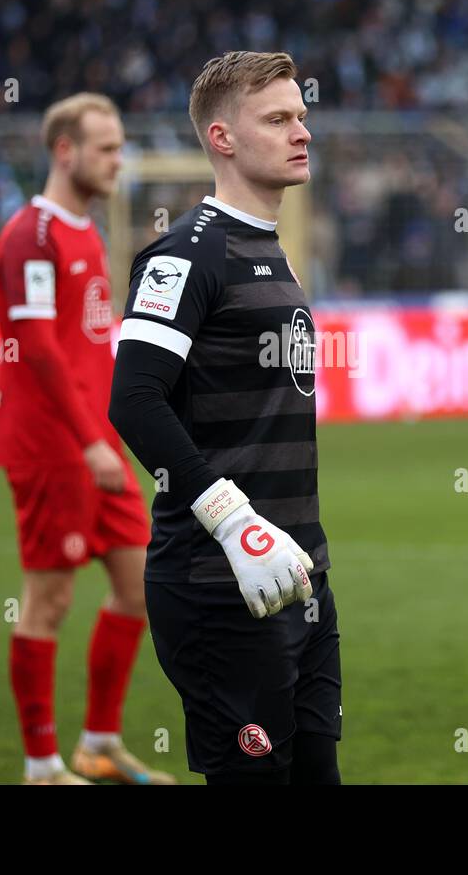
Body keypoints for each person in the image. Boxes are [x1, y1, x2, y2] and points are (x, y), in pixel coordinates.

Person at [109, 51, 341, 785]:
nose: (301, 131)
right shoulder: (185, 256)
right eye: (277, 119)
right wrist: (235, 522)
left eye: (302, 115)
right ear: (223, 138)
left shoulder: (269, 249)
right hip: (218, 582)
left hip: (301, 575)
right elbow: (133, 398)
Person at [0, 92, 174, 785]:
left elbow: (92, 342)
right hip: (51, 447)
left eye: (119, 145)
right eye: (106, 147)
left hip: (98, 445)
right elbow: (37, 348)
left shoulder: (88, 233)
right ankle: (41, 764)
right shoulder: (29, 237)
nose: (117, 158)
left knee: (140, 587)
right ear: (65, 151)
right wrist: (88, 440)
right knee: (50, 599)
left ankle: (98, 743)